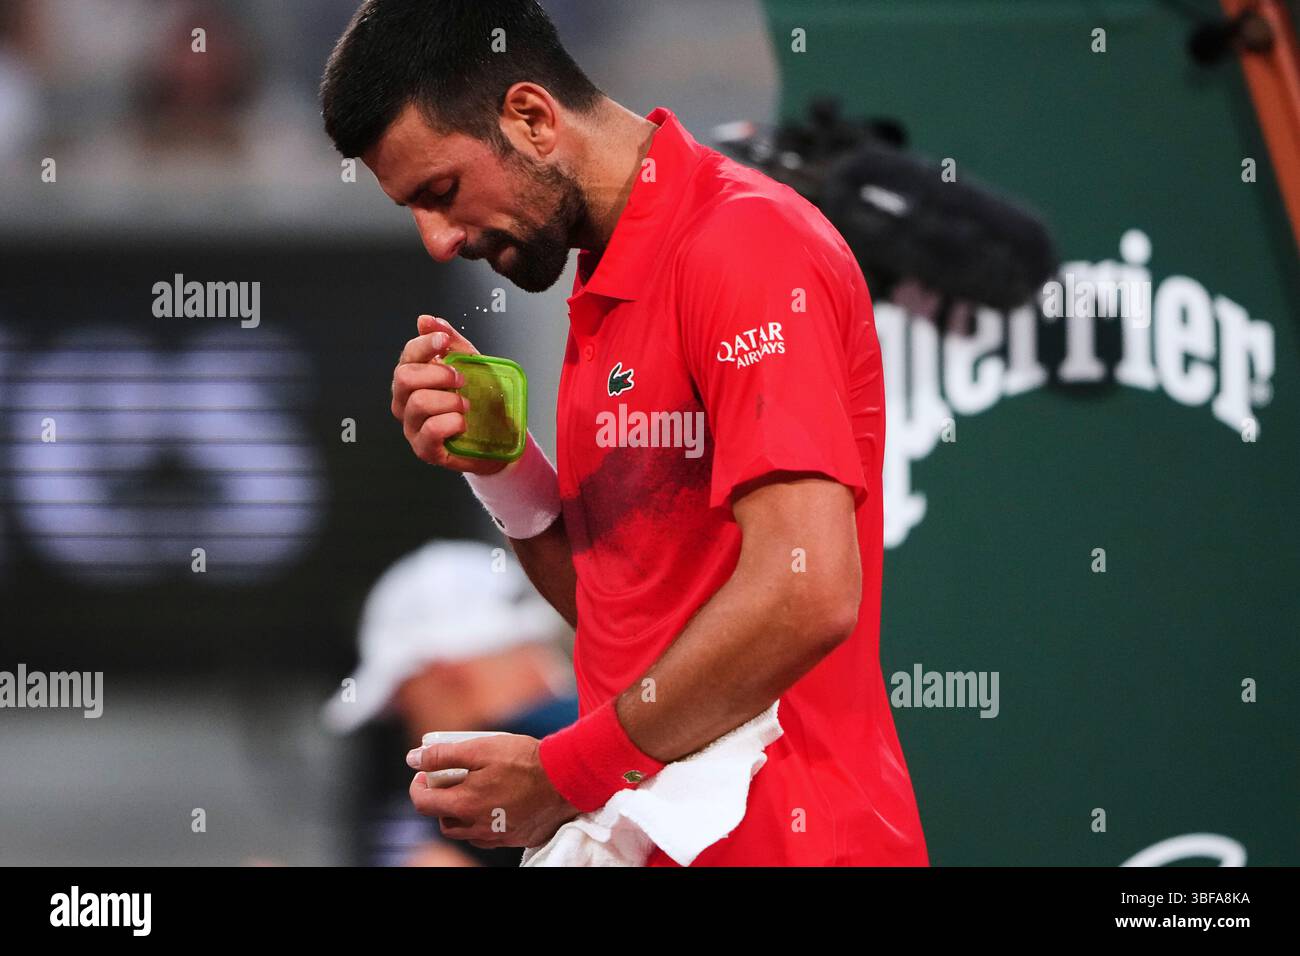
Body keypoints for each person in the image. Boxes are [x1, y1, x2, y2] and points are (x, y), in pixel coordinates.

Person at [320, 0, 929, 866]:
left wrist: (565, 775)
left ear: (531, 118)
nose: (437, 241)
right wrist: (502, 465)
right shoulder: (604, 276)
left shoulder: (744, 244)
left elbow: (807, 593)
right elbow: (632, 623)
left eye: (441, 193)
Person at [322, 539, 577, 866]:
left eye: (401, 703)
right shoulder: (620, 723)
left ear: (443, 672)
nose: (407, 733)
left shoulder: (491, 789)